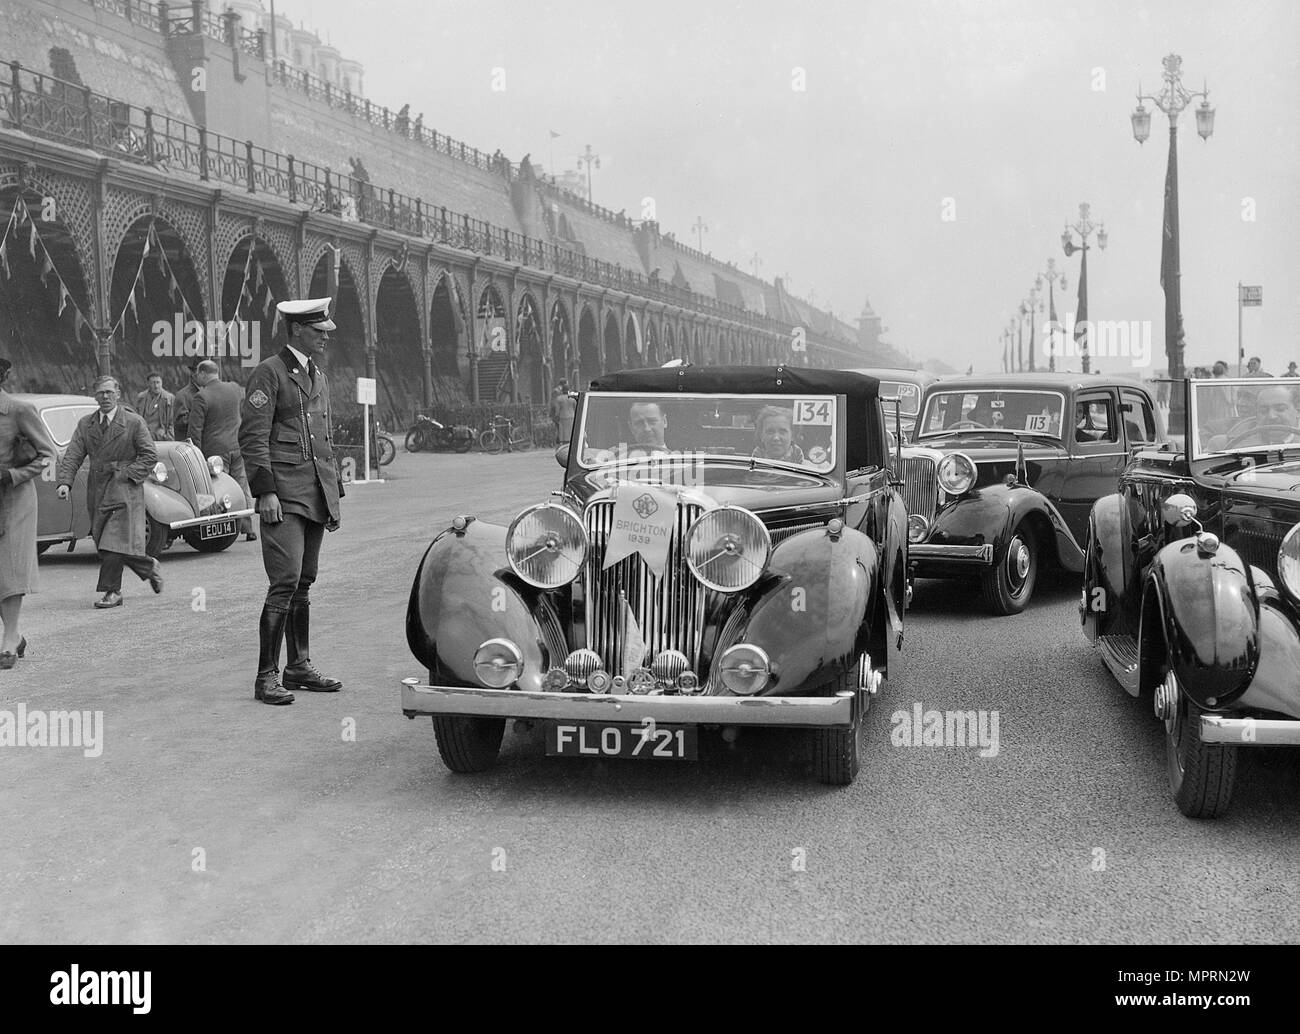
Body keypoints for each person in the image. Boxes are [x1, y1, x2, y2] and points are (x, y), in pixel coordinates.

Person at [240, 298, 345, 706]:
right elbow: (253, 436)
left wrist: (334, 489)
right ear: (298, 329)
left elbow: (324, 435)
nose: (324, 337)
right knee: (284, 582)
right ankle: (266, 676)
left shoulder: (317, 374)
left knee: (304, 581)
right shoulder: (270, 372)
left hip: (315, 491)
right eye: (318, 330)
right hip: (283, 494)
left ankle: (298, 666)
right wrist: (265, 490)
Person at [56, 375, 163, 608]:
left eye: (109, 392)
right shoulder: (86, 424)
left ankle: (112, 592)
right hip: (98, 490)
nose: (105, 397)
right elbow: (73, 454)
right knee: (104, 541)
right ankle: (148, 566)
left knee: (111, 543)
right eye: (100, 393)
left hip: (124, 491)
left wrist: (126, 473)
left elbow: (150, 455)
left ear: (118, 394)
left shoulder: (133, 422)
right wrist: (65, 482)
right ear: (95, 396)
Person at [0, 357, 57, 667]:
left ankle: (8, 640)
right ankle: (16, 635)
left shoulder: (19, 411)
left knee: (10, 568)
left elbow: (49, 455)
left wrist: (13, 475)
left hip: (14, 500)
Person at [189, 360, 257, 540]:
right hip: (237, 446)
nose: (197, 378)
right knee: (242, 486)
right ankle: (248, 528)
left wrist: (196, 456)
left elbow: (194, 431)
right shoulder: (234, 389)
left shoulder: (201, 397)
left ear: (203, 374)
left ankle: (219, 529)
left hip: (214, 453)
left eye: (198, 374)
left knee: (218, 490)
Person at [133, 372, 174, 441]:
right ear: (148, 384)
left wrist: (168, 437)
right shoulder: (141, 398)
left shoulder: (169, 398)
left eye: (158, 382)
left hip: (162, 437)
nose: (156, 386)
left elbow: (172, 422)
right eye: (153, 383)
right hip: (144, 436)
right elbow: (135, 418)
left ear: (162, 383)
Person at [172, 361, 202, 440]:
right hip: (189, 447)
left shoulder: (209, 392)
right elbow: (180, 423)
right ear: (192, 373)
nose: (203, 375)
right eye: (200, 371)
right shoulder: (182, 395)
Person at [550, 381, 575, 445]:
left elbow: (557, 410)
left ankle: (564, 446)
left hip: (563, 418)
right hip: (572, 417)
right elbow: (575, 408)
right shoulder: (572, 398)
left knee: (563, 435)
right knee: (571, 434)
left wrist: (556, 417)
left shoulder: (559, 399)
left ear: (562, 390)